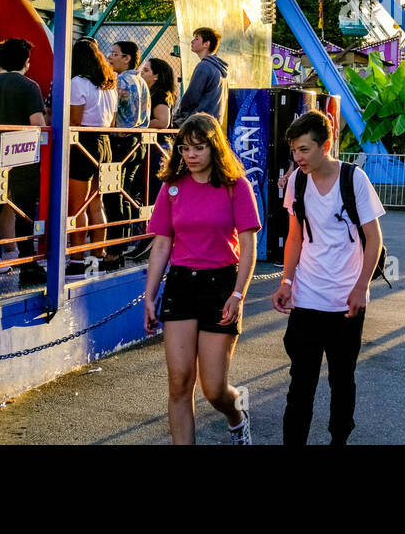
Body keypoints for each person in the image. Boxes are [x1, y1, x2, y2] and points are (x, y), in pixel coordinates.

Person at [143, 112, 259, 444]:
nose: (191, 155)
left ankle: (236, 417)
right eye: (184, 148)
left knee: (213, 387)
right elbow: (162, 244)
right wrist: (150, 297)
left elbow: (249, 245)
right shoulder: (171, 187)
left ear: (214, 148)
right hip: (181, 285)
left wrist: (238, 294)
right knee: (179, 381)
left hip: (221, 285)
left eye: (199, 148)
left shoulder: (236, 186)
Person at [271, 110, 385, 445]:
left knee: (342, 379)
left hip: (345, 300)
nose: (297, 157)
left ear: (326, 145)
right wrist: (286, 283)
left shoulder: (354, 180)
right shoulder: (297, 180)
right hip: (306, 296)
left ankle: (339, 439)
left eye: (304, 150)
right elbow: (295, 237)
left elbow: (373, 238)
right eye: (294, 150)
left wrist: (361, 287)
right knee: (300, 383)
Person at [0, 38, 47, 284]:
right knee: (24, 211)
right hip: (21, 154)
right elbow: (37, 124)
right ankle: (28, 265)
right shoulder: (29, 85)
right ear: (26, 61)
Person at [68, 37, 118, 275]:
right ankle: (97, 256)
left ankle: (78, 259)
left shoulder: (78, 82)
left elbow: (75, 121)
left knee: (77, 207)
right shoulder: (109, 82)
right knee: (96, 205)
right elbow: (113, 119)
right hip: (105, 143)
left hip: (83, 143)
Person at [103, 40, 150, 270]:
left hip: (120, 141)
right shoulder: (141, 81)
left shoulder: (119, 81)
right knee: (125, 192)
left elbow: (112, 111)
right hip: (138, 142)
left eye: (114, 54)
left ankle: (114, 248)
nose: (109, 57)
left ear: (127, 58)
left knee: (113, 195)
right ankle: (121, 244)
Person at [175, 27, 228, 126]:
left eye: (196, 38)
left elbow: (192, 96)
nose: (192, 42)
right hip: (213, 123)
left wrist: (179, 115)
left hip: (199, 123)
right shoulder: (219, 68)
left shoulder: (204, 66)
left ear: (206, 44)